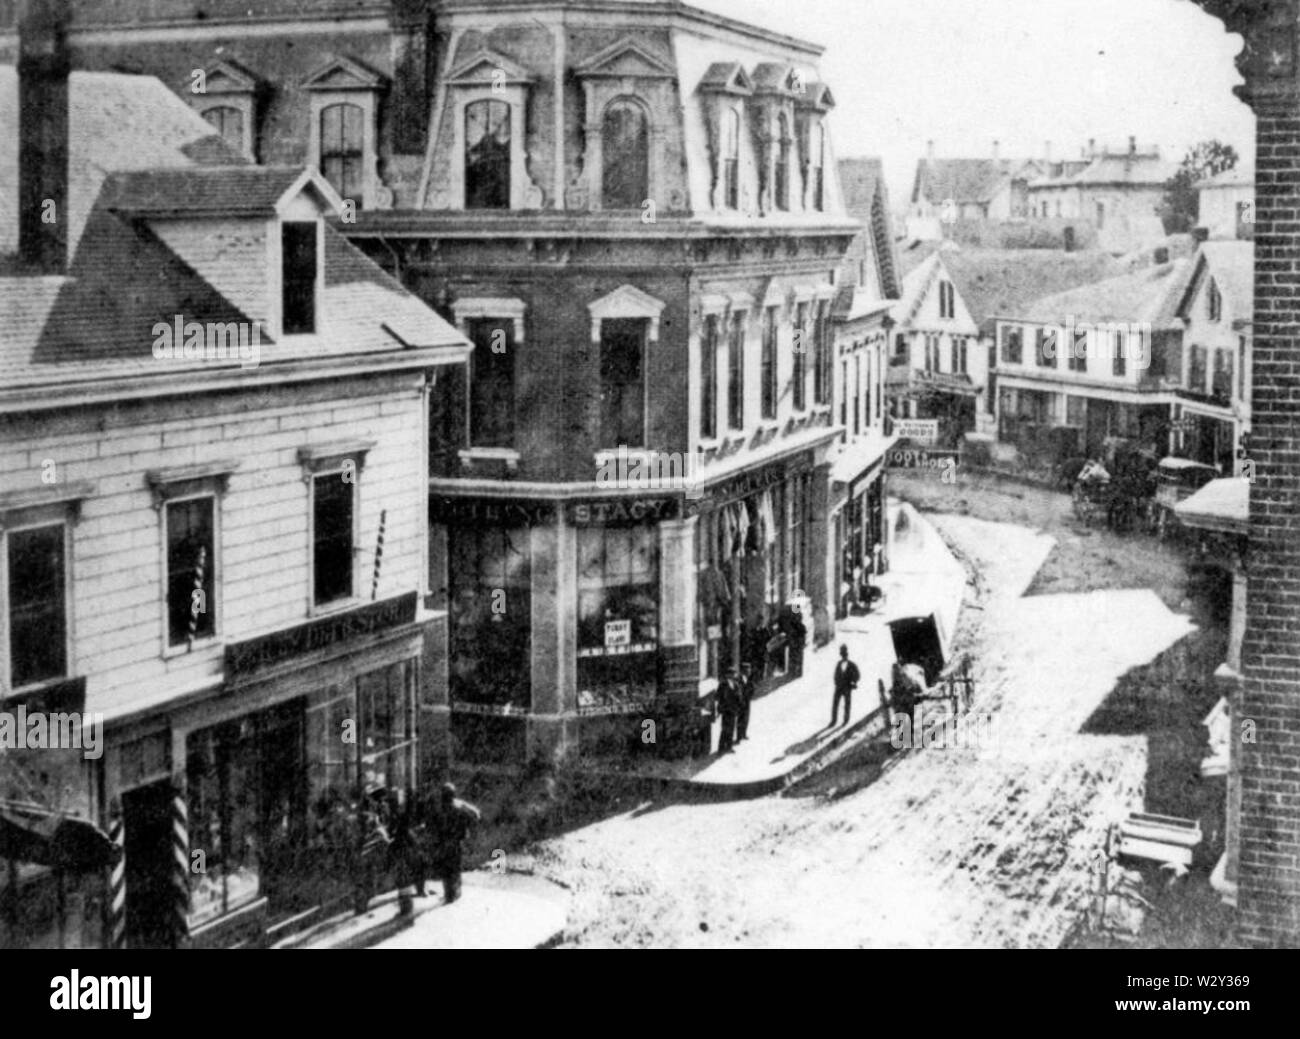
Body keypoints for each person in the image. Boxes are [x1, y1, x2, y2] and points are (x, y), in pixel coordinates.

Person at [424, 782, 481, 904]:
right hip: (456, 841)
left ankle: (448, 894)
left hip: (443, 842)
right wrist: (469, 830)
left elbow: (431, 825)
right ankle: (455, 891)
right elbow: (476, 814)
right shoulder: (460, 806)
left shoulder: (439, 808)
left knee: (446, 868)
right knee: (455, 867)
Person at [831, 644, 860, 727]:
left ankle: (846, 720)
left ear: (847, 655)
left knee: (847, 704)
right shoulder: (838, 664)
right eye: (842, 655)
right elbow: (835, 675)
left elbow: (857, 675)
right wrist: (836, 683)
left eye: (845, 655)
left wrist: (853, 682)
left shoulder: (852, 665)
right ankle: (833, 720)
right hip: (839, 687)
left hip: (847, 687)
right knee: (835, 703)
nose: (844, 656)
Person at [716, 668, 741, 753]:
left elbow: (738, 697)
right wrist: (720, 708)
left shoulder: (735, 684)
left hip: (733, 709)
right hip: (726, 710)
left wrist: (738, 707)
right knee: (725, 729)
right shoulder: (722, 684)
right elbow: (718, 696)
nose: (733, 675)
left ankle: (729, 747)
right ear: (727, 675)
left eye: (734, 673)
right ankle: (721, 748)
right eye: (732, 673)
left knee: (731, 729)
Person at [736, 663, 755, 742]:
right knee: (740, 718)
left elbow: (752, 687)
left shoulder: (748, 679)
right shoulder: (739, 679)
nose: (749, 671)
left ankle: (744, 733)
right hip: (741, 701)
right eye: (747, 669)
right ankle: (739, 736)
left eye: (749, 669)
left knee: (746, 718)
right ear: (743, 670)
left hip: (747, 700)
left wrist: (750, 694)